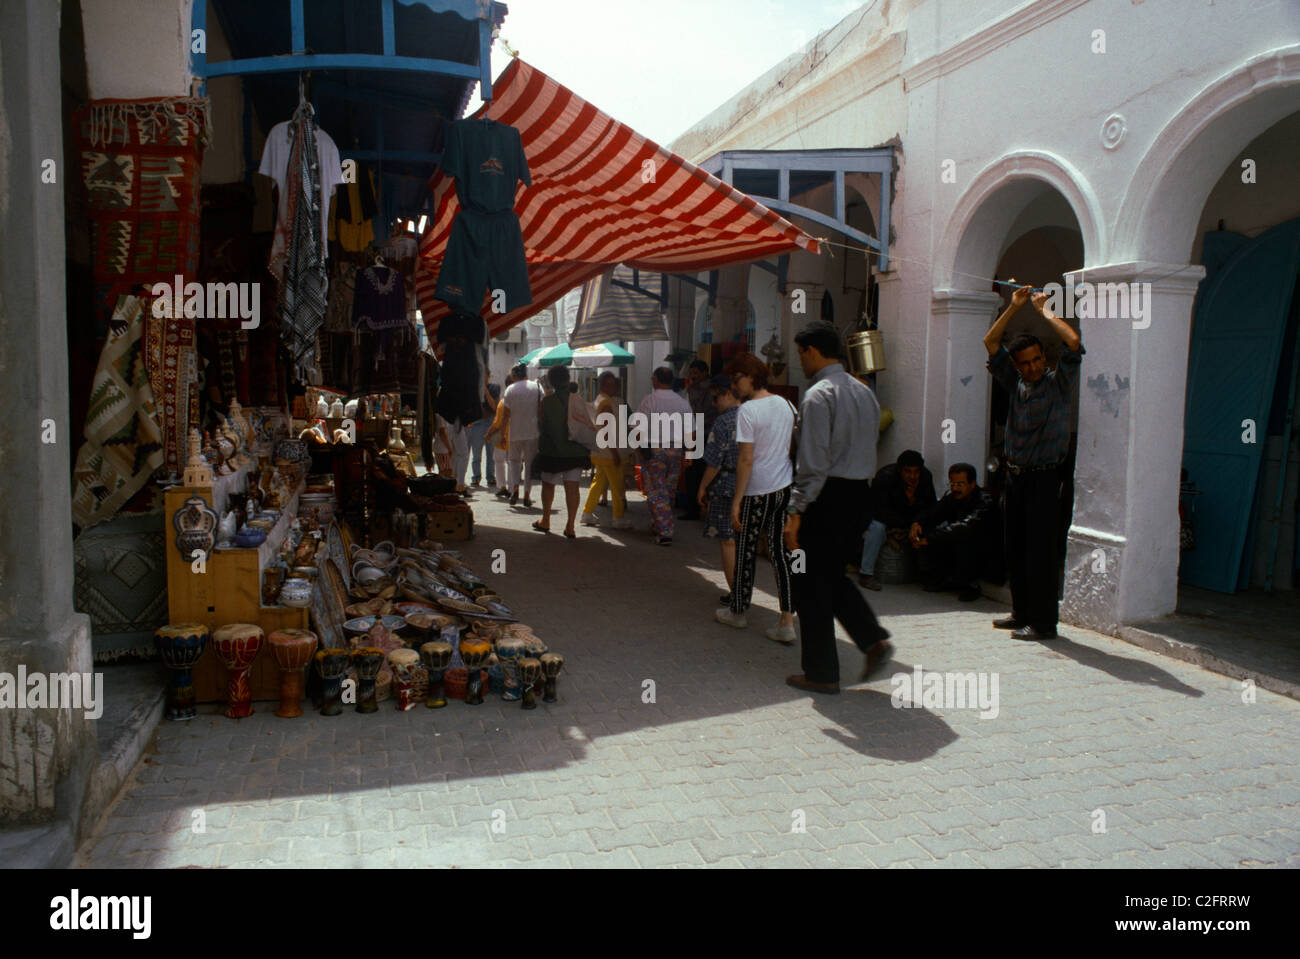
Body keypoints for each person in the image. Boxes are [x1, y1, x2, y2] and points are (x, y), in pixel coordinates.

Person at [782, 323, 892, 694]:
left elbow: (813, 463)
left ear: (813, 351)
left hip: (826, 496)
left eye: (801, 353)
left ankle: (822, 673)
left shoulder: (819, 396)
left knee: (811, 583)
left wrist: (795, 512)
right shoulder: (865, 393)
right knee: (831, 575)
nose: (800, 361)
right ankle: (872, 639)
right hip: (859, 493)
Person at [983, 286, 1084, 639]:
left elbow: (1073, 343)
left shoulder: (1059, 384)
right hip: (1016, 478)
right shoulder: (1015, 383)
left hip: (1045, 480)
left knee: (1040, 553)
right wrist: (1013, 308)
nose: (1033, 367)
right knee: (1016, 549)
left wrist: (1044, 313)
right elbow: (991, 343)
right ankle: (1020, 612)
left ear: (1045, 357)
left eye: (1037, 359)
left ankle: (1043, 624)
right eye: (1025, 362)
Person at [714, 353, 797, 644]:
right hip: (783, 487)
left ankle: (738, 611)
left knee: (745, 551)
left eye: (737, 379)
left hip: (757, 490)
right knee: (779, 554)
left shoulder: (747, 411)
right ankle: (787, 619)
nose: (734, 386)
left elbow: (746, 460)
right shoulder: (786, 404)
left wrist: (737, 500)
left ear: (752, 376)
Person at [910, 463, 997, 602]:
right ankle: (943, 578)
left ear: (972, 484)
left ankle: (970, 584)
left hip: (985, 552)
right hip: (957, 541)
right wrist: (917, 523)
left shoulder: (984, 500)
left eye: (960, 484)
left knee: (961, 538)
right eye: (953, 483)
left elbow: (966, 527)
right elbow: (933, 513)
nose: (955, 488)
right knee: (925, 530)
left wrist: (930, 539)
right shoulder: (952, 498)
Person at [858, 449, 938, 590]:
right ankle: (866, 573)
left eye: (916, 471)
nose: (913, 476)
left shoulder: (925, 477)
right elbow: (879, 511)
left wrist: (916, 519)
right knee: (876, 527)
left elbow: (931, 506)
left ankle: (930, 573)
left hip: (913, 519)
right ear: (900, 470)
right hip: (888, 519)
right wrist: (907, 521)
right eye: (908, 471)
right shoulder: (885, 477)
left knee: (937, 526)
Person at [532, 365, 591, 538]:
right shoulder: (578, 400)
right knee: (572, 488)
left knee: (548, 485)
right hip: (576, 451)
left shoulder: (546, 402)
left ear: (551, 381)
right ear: (567, 380)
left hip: (552, 451)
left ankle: (546, 520)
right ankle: (570, 526)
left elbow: (542, 425)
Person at [638, 366, 694, 545]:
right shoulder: (683, 402)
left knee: (656, 489)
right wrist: (690, 454)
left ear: (656, 379)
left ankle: (665, 531)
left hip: (655, 450)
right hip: (676, 450)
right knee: (668, 490)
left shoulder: (650, 400)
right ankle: (658, 523)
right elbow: (691, 432)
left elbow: (638, 427)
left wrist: (639, 447)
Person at [698, 374, 741, 606]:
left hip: (728, 486)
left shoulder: (724, 422)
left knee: (728, 541)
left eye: (716, 398)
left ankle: (737, 592)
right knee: (746, 542)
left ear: (727, 394)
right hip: (757, 485)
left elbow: (714, 462)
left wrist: (703, 487)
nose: (714, 404)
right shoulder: (755, 416)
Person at [580, 371, 631, 529]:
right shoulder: (606, 403)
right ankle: (618, 517)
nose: (613, 386)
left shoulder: (602, 400)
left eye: (614, 383)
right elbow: (605, 430)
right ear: (602, 386)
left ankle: (587, 513)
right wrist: (614, 452)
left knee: (599, 483)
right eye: (609, 384)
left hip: (601, 451)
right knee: (616, 486)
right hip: (609, 452)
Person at [498, 362, 543, 508]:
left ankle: (515, 489)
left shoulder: (510, 389)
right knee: (529, 464)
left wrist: (502, 433)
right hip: (532, 432)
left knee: (514, 462)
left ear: (514, 376)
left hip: (515, 432)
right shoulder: (537, 387)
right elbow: (541, 410)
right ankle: (527, 495)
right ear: (526, 374)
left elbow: (505, 415)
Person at [680, 359, 713, 521]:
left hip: (705, 434)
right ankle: (693, 509)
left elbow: (704, 413)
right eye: (691, 373)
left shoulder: (710, 389)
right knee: (691, 472)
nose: (693, 376)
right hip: (693, 432)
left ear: (704, 372)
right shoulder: (690, 388)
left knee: (703, 471)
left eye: (696, 373)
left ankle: (703, 508)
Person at [485, 369, 514, 499]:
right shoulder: (522, 401)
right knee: (513, 463)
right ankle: (514, 488)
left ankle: (502, 486)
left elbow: (497, 423)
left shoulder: (503, 402)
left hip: (503, 437)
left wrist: (488, 434)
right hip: (517, 436)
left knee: (499, 461)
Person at [468, 377, 500, 488]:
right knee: (476, 454)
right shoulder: (473, 388)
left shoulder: (494, 388)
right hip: (477, 422)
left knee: (491, 454)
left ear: (488, 376)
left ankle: (491, 478)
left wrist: (485, 391)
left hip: (490, 421)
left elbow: (494, 406)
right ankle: (476, 477)